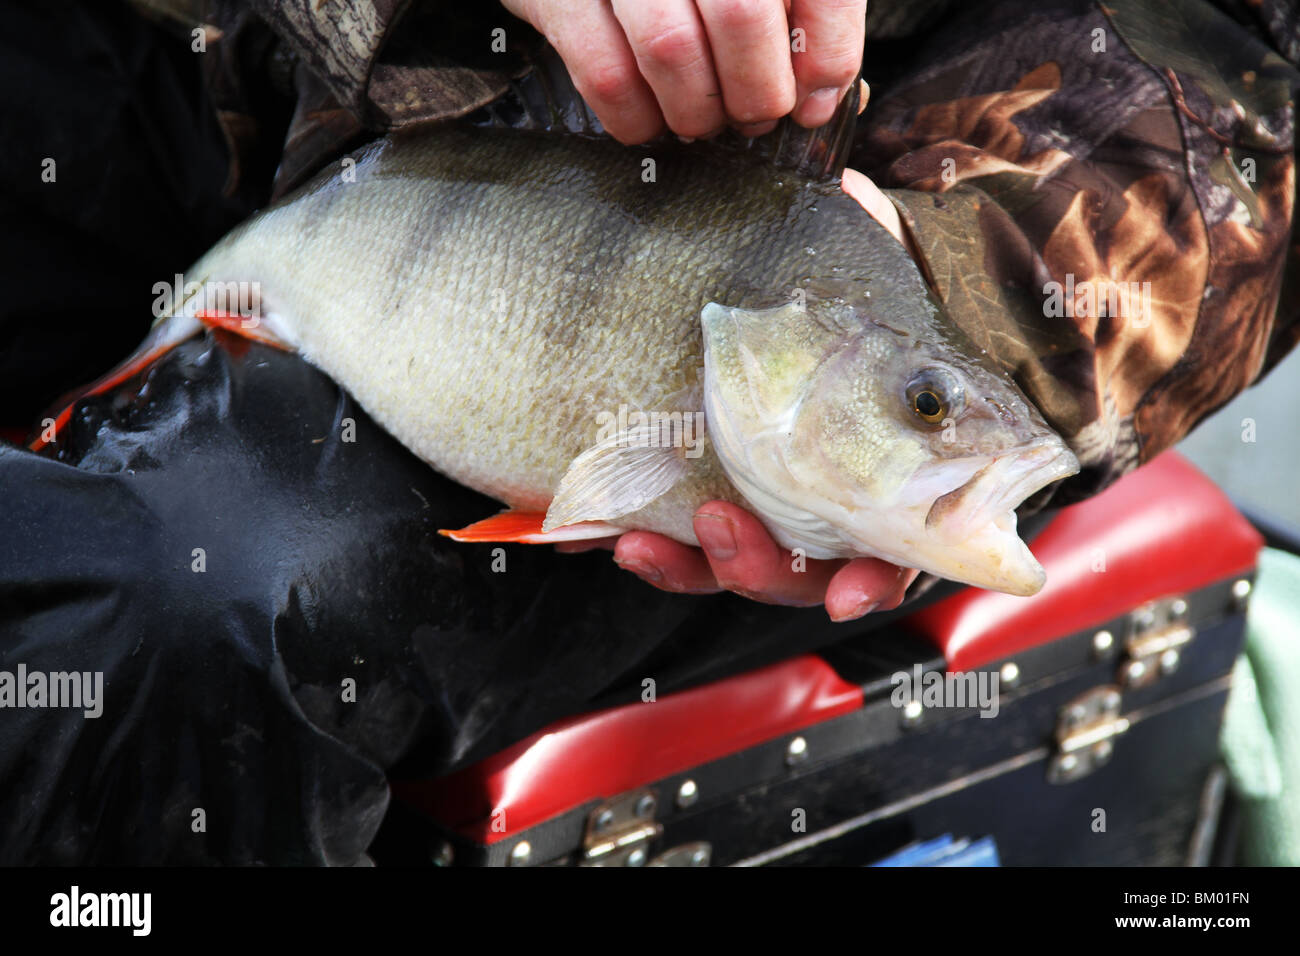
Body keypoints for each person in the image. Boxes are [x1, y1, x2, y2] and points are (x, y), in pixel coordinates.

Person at [0, 0, 1296, 863]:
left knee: (181, 608)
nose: (939, 428)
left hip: (912, 208)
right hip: (233, 72)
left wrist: (980, 282)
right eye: (926, 408)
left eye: (921, 408)